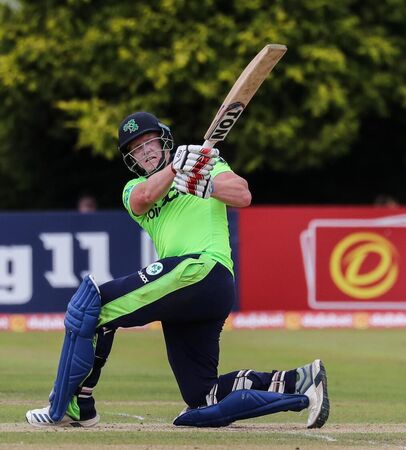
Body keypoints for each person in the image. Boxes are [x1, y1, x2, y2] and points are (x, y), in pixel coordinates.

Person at [25, 112, 329, 428]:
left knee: (93, 304)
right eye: (135, 149)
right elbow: (144, 198)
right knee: (202, 397)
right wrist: (175, 169)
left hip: (203, 269)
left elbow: (242, 194)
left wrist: (203, 184)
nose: (144, 151)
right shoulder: (134, 188)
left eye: (148, 141)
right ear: (131, 159)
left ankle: (75, 406)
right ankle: (301, 384)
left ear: (163, 139)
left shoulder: (205, 164)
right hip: (190, 292)